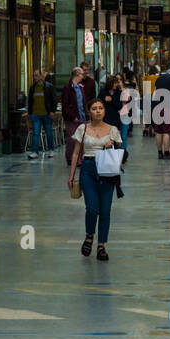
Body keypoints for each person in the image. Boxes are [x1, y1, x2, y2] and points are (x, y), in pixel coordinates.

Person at [67, 99, 123, 261]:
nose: (98, 111)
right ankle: (89, 235)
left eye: (101, 108)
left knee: (105, 210)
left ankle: (101, 245)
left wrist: (112, 146)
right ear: (89, 112)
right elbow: (76, 153)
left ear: (104, 111)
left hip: (107, 171)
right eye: (94, 108)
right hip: (88, 169)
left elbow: (122, 153)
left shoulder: (112, 130)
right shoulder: (82, 129)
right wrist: (71, 176)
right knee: (92, 208)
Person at [27, 70, 58, 159]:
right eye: (33, 76)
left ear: (41, 76)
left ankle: (51, 150)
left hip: (46, 114)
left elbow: (54, 100)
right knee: (36, 133)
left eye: (36, 75)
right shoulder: (32, 88)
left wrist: (52, 111)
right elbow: (30, 101)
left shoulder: (49, 86)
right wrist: (30, 112)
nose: (34, 78)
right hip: (35, 114)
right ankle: (34, 151)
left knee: (49, 132)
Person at [61, 67, 87, 166]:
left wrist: (86, 115)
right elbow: (66, 105)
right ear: (76, 75)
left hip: (82, 117)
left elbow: (83, 103)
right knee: (72, 140)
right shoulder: (68, 87)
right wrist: (72, 116)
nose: (82, 76)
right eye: (81, 74)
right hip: (72, 119)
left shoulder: (81, 87)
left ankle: (79, 159)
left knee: (82, 139)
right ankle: (70, 158)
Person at [99, 73, 128, 161]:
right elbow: (99, 102)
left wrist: (112, 99)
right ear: (111, 84)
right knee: (105, 138)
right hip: (105, 118)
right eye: (115, 83)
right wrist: (104, 99)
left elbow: (119, 105)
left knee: (114, 138)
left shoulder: (118, 93)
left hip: (115, 119)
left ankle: (115, 156)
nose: (117, 84)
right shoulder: (103, 92)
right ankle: (105, 156)